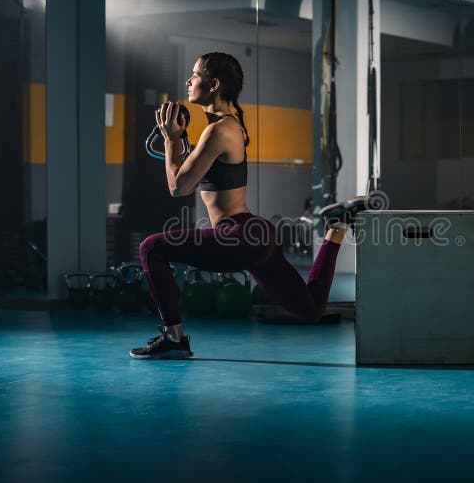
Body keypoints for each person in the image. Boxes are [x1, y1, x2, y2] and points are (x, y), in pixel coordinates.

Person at [130, 52, 364, 359]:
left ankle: (174, 338)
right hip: (253, 235)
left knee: (151, 248)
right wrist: (178, 139)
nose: (188, 81)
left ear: (213, 84)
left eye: (195, 75)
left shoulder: (219, 130)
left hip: (236, 237)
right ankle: (336, 226)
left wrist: (172, 139)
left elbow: (178, 186)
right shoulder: (225, 127)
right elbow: (189, 172)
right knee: (311, 309)